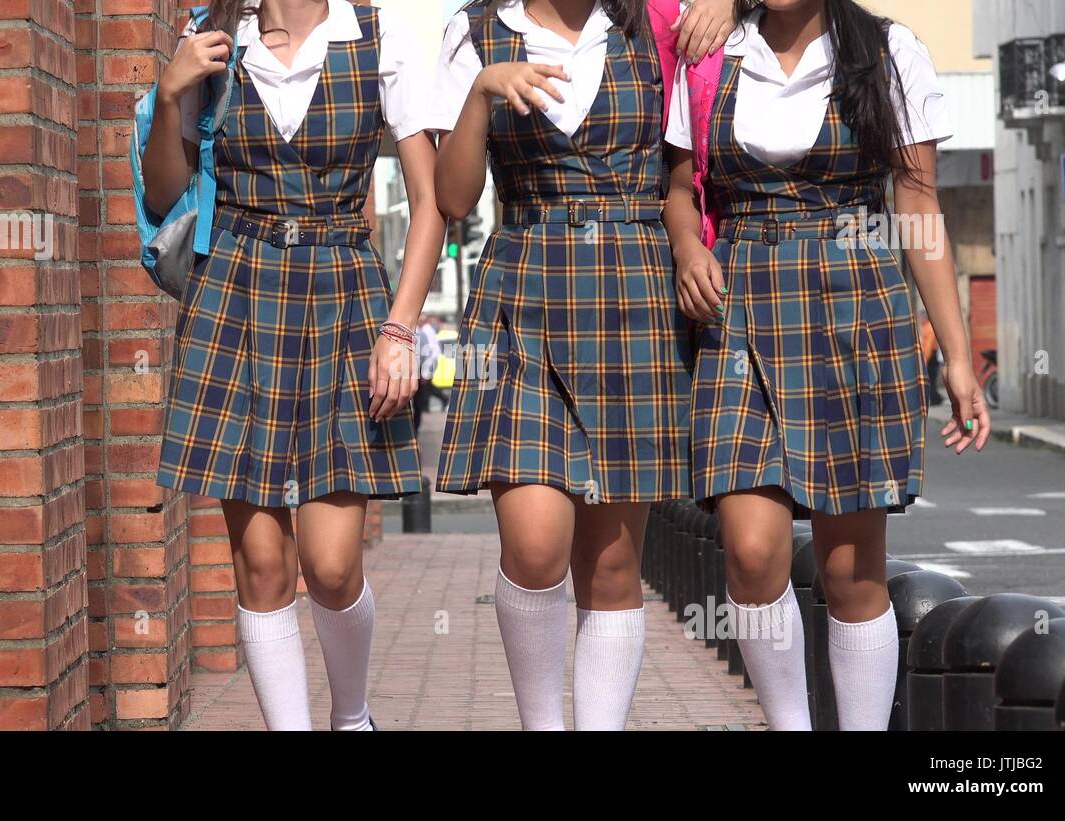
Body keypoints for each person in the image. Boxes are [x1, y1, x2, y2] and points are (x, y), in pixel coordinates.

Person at [663, 0, 991, 730]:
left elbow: (918, 204)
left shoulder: (885, 50)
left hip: (854, 310)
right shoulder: (716, 51)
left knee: (849, 571)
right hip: (737, 305)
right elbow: (682, 190)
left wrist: (959, 357)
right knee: (750, 555)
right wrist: (688, 248)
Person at [428, 0, 736, 730]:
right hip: (524, 284)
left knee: (610, 565)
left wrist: (727, 3)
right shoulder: (473, 31)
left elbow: (680, 175)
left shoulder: (657, 22)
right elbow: (452, 197)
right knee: (534, 547)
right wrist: (480, 94)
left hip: (634, 291)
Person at [141, 0, 446, 730]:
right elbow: (160, 194)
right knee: (262, 563)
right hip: (236, 298)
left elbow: (432, 203)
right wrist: (170, 93)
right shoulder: (214, 33)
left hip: (343, 293)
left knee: (333, 564)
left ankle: (352, 714)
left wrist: (399, 328)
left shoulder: (376, 34)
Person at [413, 315, 445, 431]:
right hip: (419, 369)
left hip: (420, 369)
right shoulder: (421, 331)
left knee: (420, 399)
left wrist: (426, 372)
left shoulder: (425, 332)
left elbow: (430, 353)